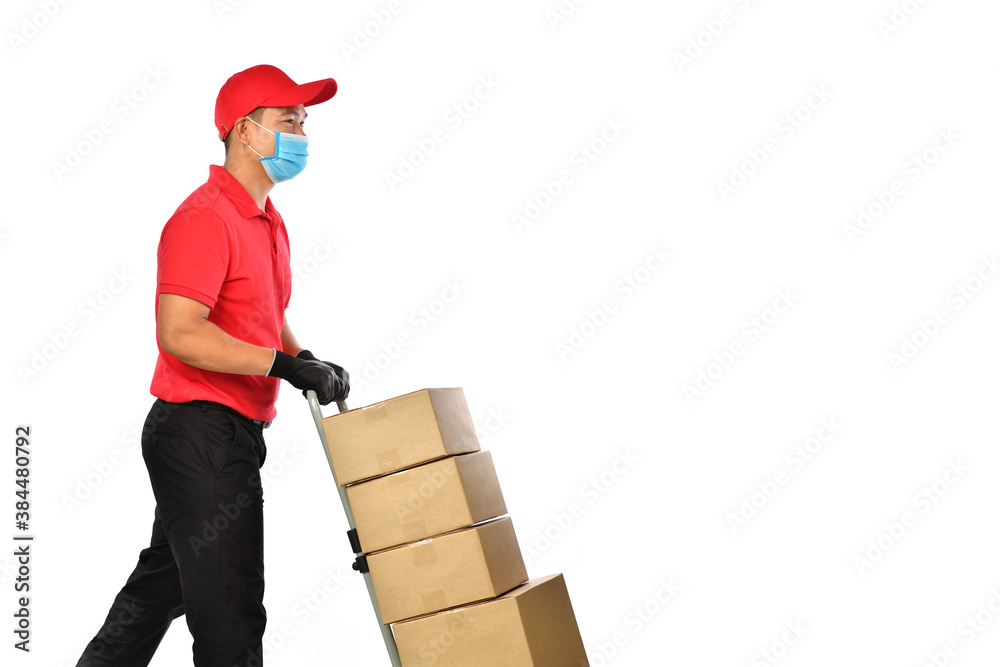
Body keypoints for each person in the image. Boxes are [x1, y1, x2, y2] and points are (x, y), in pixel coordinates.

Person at [76, 64, 349, 667]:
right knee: (230, 616)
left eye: (305, 121)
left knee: (157, 595)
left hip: (226, 434)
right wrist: (281, 366)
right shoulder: (205, 217)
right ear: (246, 131)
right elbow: (180, 334)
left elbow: (261, 311)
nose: (303, 132)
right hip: (199, 431)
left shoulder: (265, 219)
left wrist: (303, 357)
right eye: (289, 120)